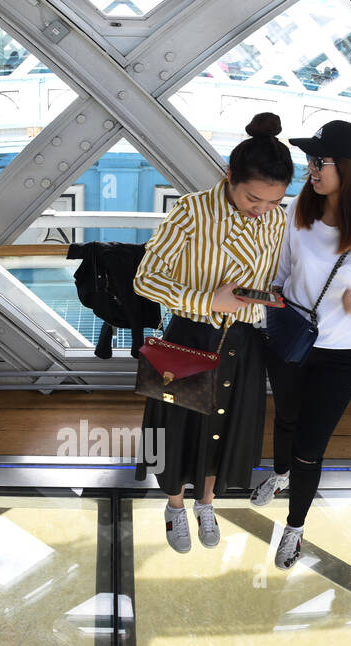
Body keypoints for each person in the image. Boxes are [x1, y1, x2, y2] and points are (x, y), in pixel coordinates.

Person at [251, 120, 351, 569]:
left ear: (349, 168)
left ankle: (295, 527)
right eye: (310, 160)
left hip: (339, 357)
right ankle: (279, 477)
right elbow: (281, 271)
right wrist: (269, 298)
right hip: (289, 338)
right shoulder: (299, 211)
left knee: (309, 446)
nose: (311, 169)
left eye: (320, 161)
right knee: (283, 419)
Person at [133, 112, 293, 553]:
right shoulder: (191, 211)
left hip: (244, 343)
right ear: (229, 176)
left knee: (226, 427)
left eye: (273, 202)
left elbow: (266, 272)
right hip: (190, 337)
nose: (261, 209)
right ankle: (173, 504)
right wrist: (209, 300)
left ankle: (207, 501)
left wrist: (266, 295)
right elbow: (145, 279)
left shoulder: (276, 221)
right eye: (253, 197)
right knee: (178, 427)